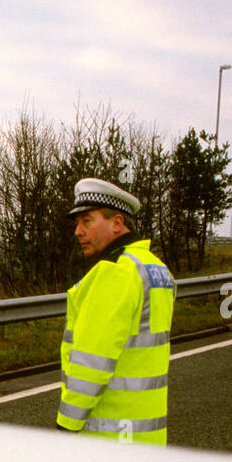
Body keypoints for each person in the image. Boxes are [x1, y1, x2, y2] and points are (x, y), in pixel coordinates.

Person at [55, 178, 175, 444]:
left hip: (110, 436)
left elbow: (92, 362)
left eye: (86, 221)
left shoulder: (113, 272)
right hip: (147, 433)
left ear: (117, 223)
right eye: (77, 223)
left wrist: (66, 426)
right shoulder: (155, 268)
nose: (78, 231)